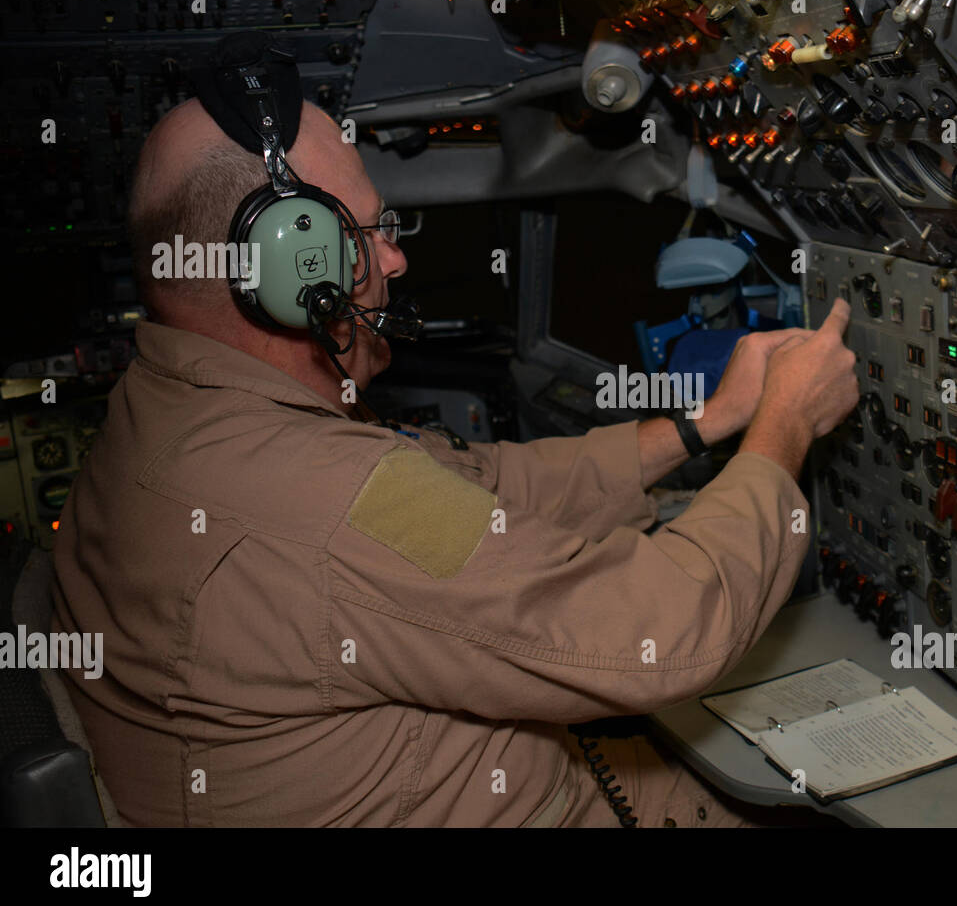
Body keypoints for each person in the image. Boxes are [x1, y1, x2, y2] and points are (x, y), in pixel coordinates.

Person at [49, 96, 860, 827]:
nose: (395, 261)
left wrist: (707, 422)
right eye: (369, 234)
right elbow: (669, 629)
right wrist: (786, 426)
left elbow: (481, 493)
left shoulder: (172, 414)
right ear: (287, 273)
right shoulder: (319, 501)